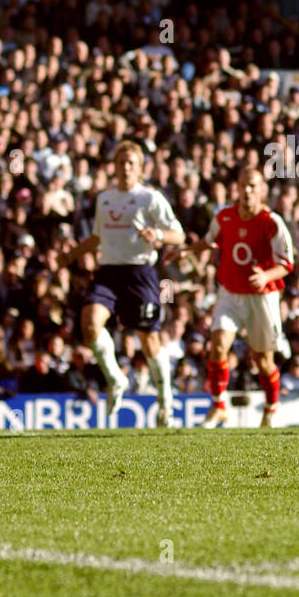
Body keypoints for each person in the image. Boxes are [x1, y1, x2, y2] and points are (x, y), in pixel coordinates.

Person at [57, 141, 184, 426]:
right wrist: (70, 255)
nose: (125, 168)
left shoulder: (150, 198)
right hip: (108, 273)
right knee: (89, 325)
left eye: (131, 164)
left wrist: (159, 236)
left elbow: (179, 234)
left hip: (140, 274)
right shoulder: (105, 199)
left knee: (149, 342)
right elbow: (97, 237)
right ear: (114, 167)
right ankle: (116, 379)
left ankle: (165, 404)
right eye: (121, 163)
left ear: (140, 169)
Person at [178, 167, 294, 428]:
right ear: (237, 188)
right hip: (230, 293)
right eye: (243, 185)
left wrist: (265, 276)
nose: (247, 191)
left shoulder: (271, 222)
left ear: (261, 189)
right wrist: (185, 251)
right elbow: (210, 241)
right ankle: (219, 406)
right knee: (217, 345)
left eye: (253, 186)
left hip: (262, 297)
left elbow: (286, 264)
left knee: (262, 361)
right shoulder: (224, 217)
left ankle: (271, 408)